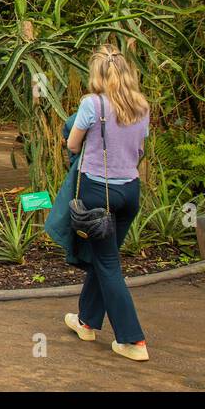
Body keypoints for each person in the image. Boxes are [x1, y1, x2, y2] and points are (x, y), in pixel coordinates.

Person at [60, 45, 152, 363]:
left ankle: (132, 339)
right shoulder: (142, 106)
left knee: (109, 265)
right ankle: (86, 321)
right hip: (130, 191)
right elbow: (139, 150)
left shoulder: (92, 104)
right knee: (106, 259)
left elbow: (72, 143)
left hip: (99, 194)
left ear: (96, 74)